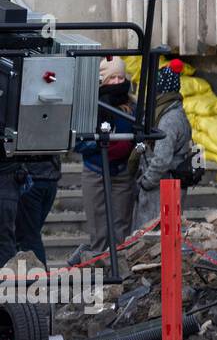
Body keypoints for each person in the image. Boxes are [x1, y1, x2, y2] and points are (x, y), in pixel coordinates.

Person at [72, 56, 138, 262]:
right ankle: (100, 274)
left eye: (120, 78)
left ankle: (120, 272)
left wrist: (128, 146)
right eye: (112, 78)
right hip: (95, 170)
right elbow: (78, 142)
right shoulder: (90, 107)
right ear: (102, 80)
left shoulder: (133, 107)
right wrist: (102, 145)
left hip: (122, 172)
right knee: (99, 229)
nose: (118, 83)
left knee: (121, 230)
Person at [132, 59, 193, 232]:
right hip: (164, 186)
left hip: (161, 190)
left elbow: (161, 160)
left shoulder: (168, 120)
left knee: (152, 236)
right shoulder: (170, 113)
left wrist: (145, 182)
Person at [14, 155, 59, 266]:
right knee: (30, 234)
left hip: (31, 178)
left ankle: (39, 278)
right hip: (50, 177)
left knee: (29, 236)